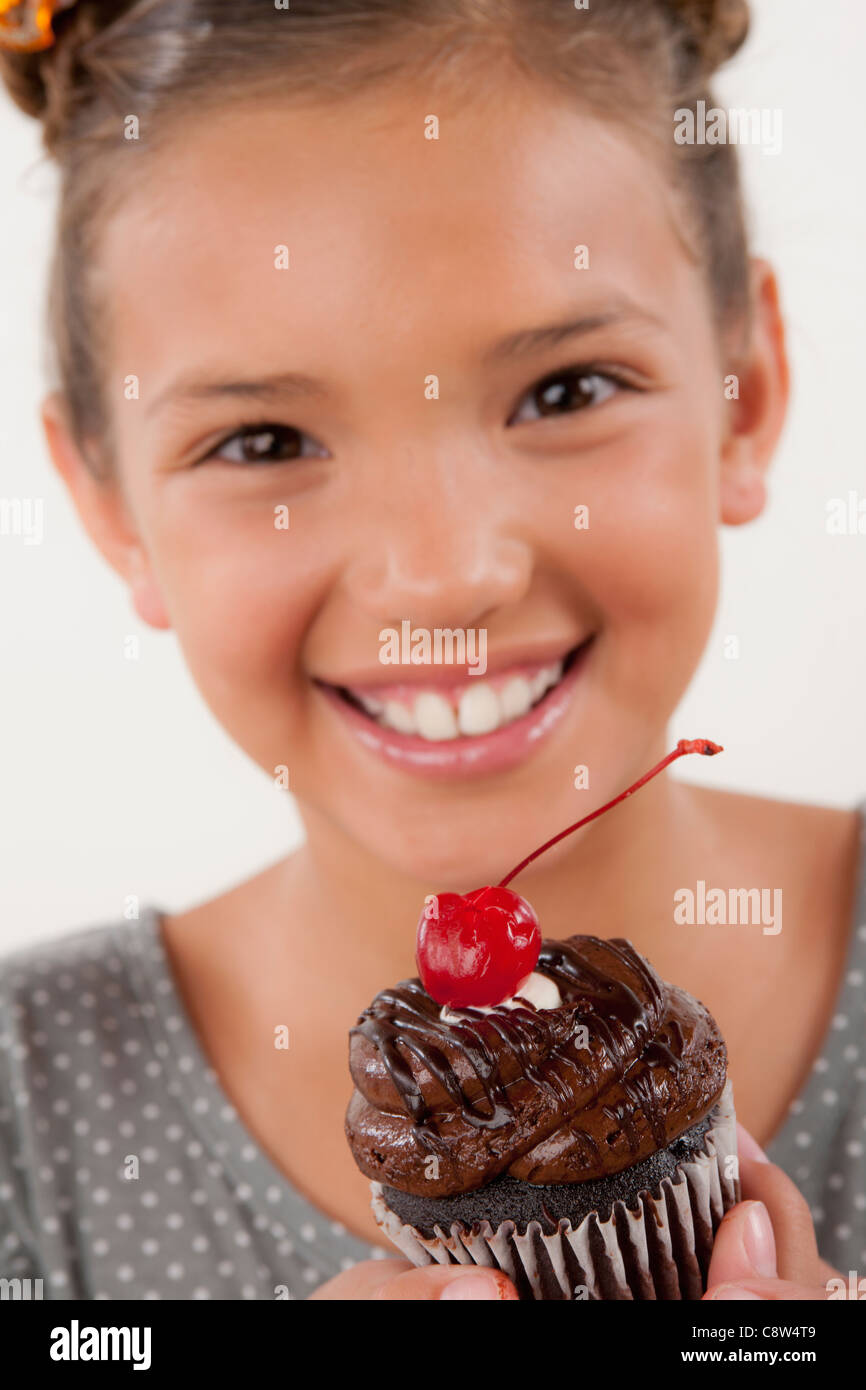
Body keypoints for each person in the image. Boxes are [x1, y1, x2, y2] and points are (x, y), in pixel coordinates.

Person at [0, 0, 862, 1301]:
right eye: (263, 443)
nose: (442, 573)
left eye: (564, 390)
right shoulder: (28, 1119)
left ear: (746, 387)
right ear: (109, 506)